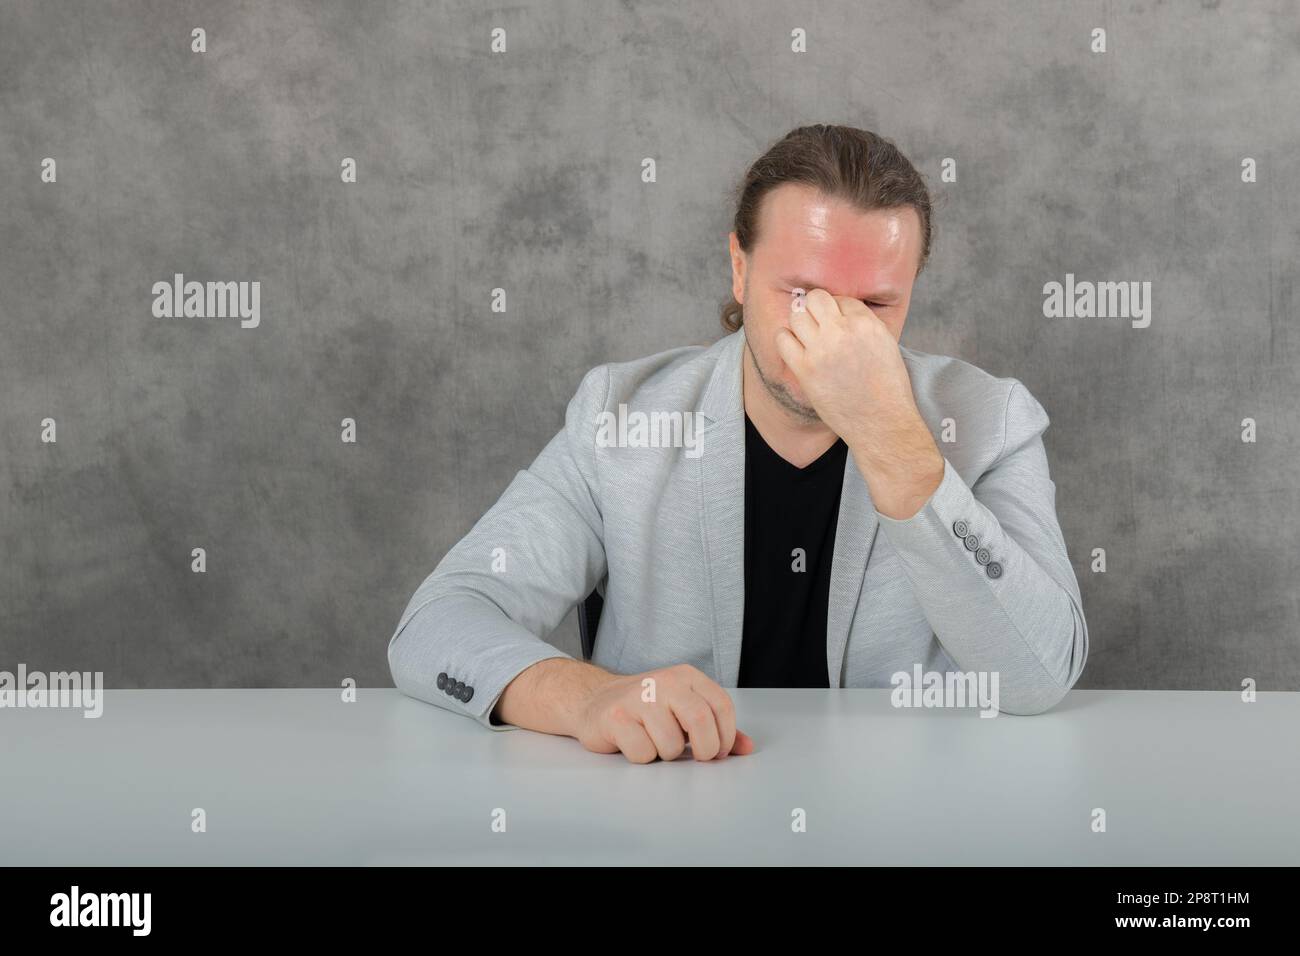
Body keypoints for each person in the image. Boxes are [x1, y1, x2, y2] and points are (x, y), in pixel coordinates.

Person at [388, 124, 1089, 763]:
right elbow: (438, 624)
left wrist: (894, 441)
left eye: (876, 305)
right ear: (740, 268)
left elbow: (1038, 673)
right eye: (802, 293)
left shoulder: (992, 421)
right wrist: (586, 697)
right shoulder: (622, 417)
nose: (836, 333)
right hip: (671, 819)